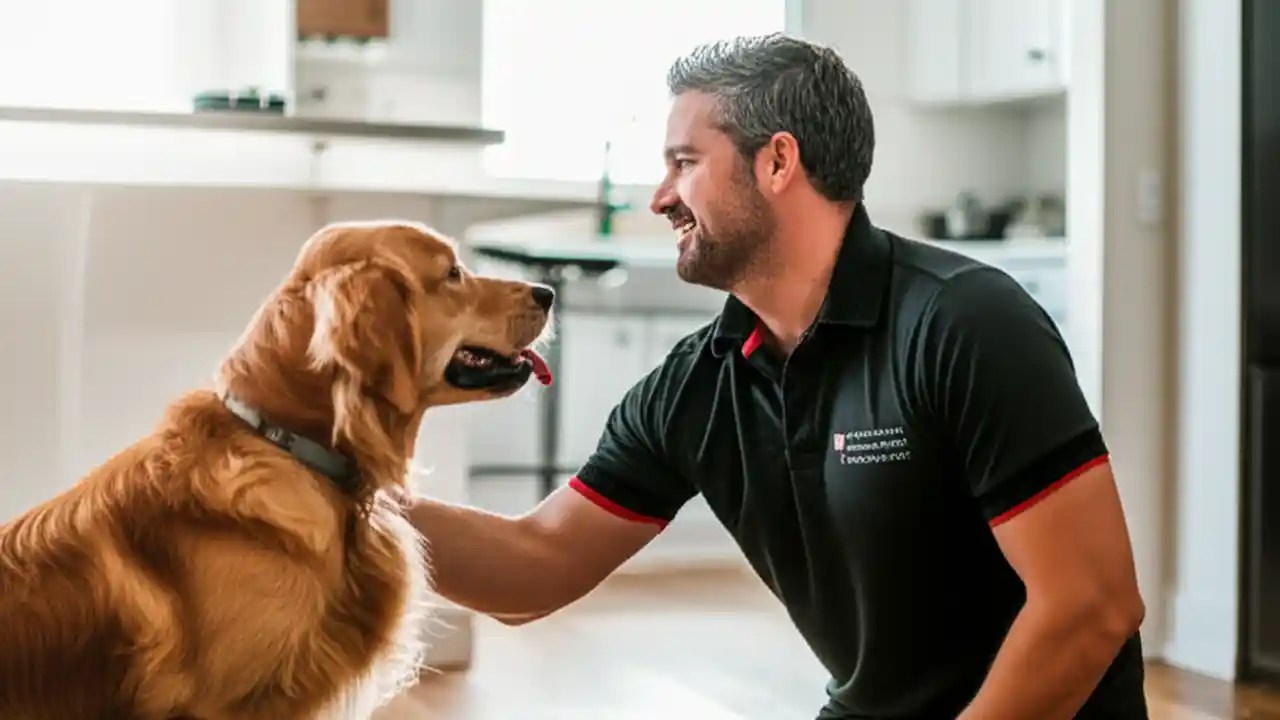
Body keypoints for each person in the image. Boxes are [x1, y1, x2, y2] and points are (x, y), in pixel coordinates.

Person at [405, 33, 1149, 719]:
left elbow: (1091, 605)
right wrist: (350, 497)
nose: (661, 196)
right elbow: (535, 567)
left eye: (684, 163)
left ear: (778, 162)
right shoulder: (699, 383)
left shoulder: (965, 323)